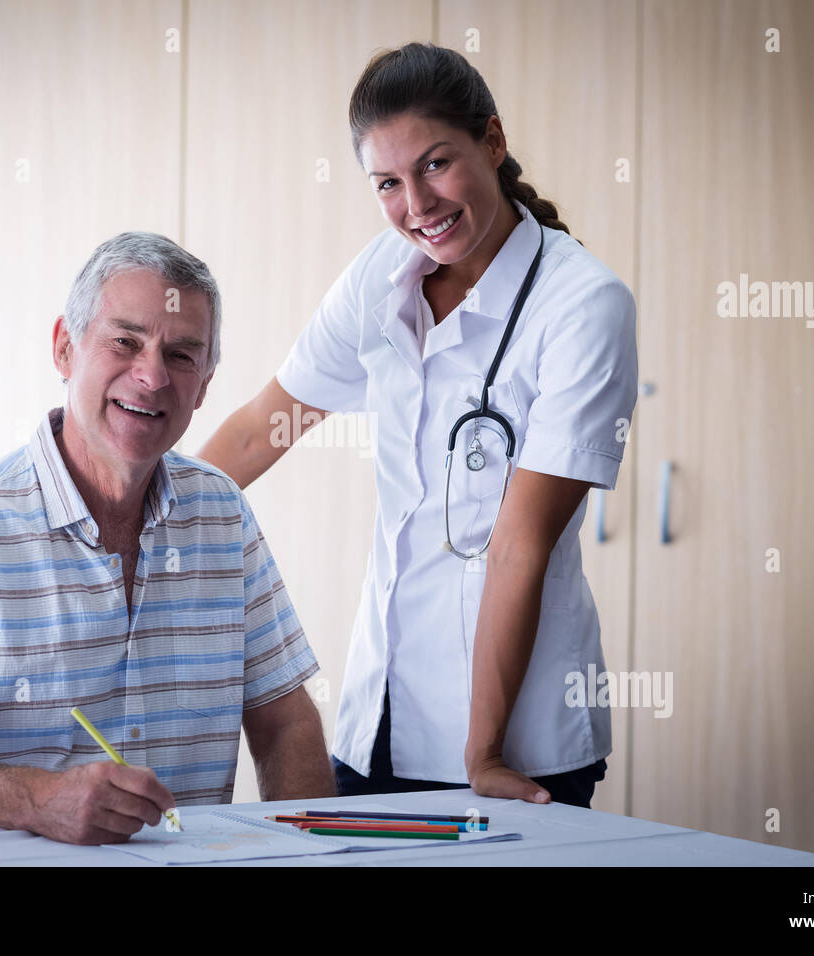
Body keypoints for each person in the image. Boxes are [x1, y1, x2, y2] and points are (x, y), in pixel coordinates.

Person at [197, 43, 638, 808]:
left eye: (435, 165)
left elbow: (518, 545)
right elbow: (264, 425)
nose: (417, 204)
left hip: (517, 740)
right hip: (382, 716)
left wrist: (484, 754)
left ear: (492, 143)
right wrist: (137, 509)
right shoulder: (380, 276)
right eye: (388, 184)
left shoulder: (582, 306)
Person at [0, 232, 334, 845]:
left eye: (182, 355)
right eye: (125, 342)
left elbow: (286, 721)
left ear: (205, 385)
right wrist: (34, 800)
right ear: (64, 349)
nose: (152, 376)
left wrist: (309, 853)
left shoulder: (223, 514)